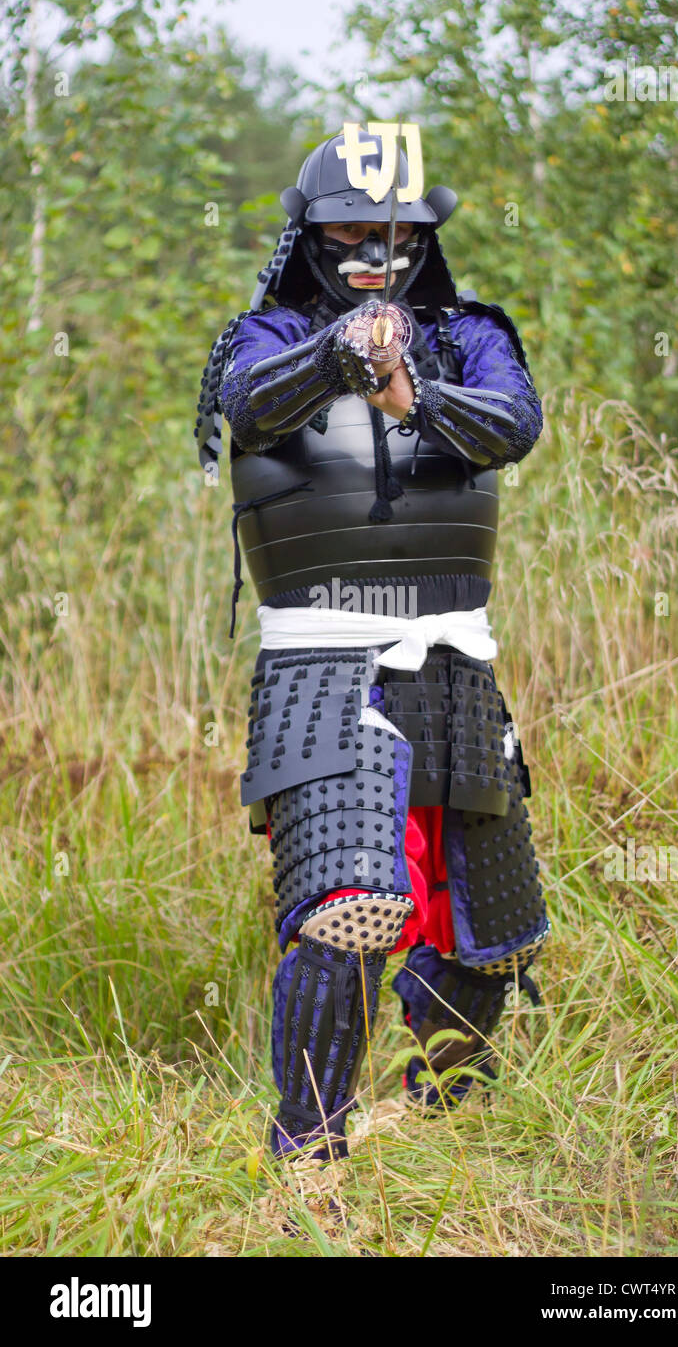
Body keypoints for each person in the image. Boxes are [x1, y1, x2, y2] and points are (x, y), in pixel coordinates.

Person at [195, 124, 549, 1160]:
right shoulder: (264, 338)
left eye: (395, 234)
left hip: (456, 660)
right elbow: (253, 408)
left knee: (490, 928)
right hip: (325, 663)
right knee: (348, 908)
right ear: (308, 233)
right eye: (349, 231)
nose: (373, 251)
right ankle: (307, 1151)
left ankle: (446, 1116)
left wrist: (413, 392)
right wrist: (339, 356)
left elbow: (514, 425)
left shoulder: (473, 334)